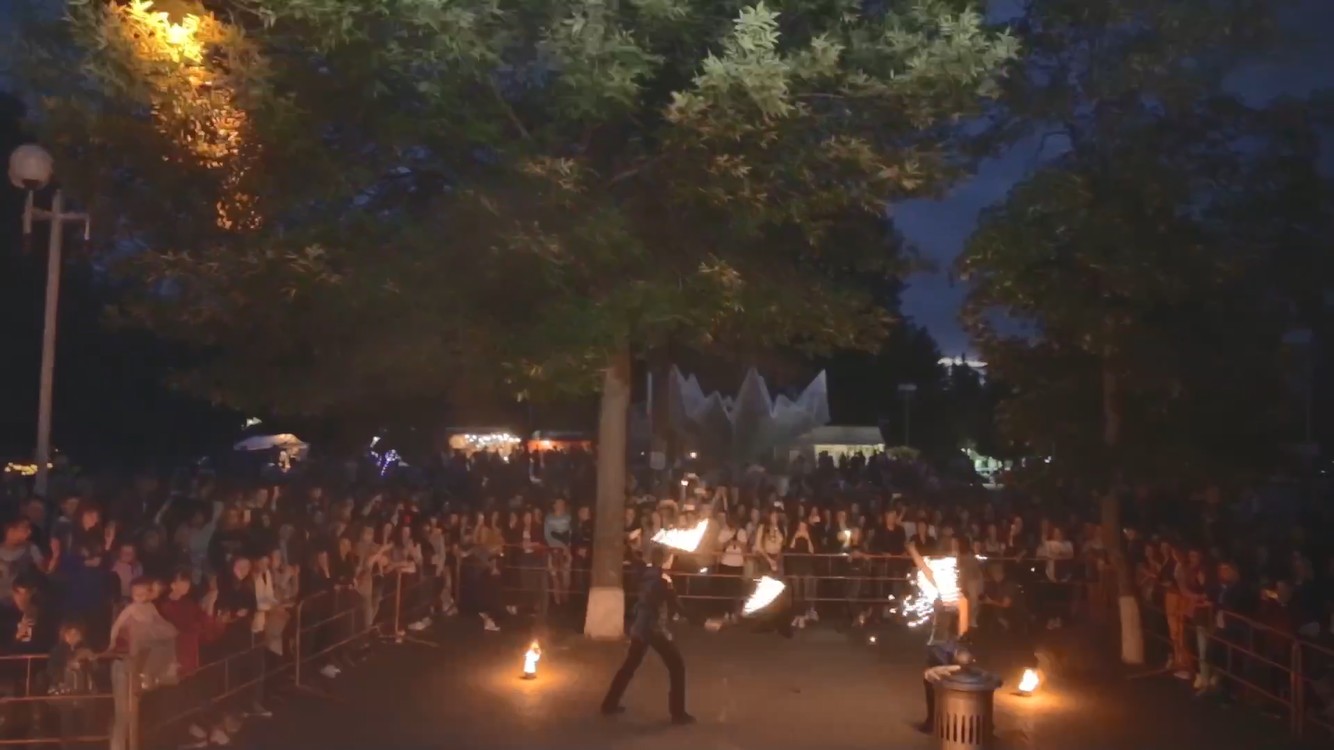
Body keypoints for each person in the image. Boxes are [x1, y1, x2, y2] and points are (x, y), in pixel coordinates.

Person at [600, 545, 694, 724]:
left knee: (629, 666)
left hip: (640, 626)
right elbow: (678, 607)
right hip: (653, 630)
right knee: (677, 666)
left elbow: (634, 560)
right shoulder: (663, 581)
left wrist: (629, 545)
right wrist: (704, 621)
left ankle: (609, 704)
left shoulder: (645, 572)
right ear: (666, 560)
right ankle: (678, 713)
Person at [907, 538, 971, 734]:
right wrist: (913, 551)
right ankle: (940, 721)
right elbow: (926, 569)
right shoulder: (953, 593)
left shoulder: (954, 596)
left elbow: (962, 628)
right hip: (944, 644)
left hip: (942, 646)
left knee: (933, 682)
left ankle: (935, 722)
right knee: (939, 683)